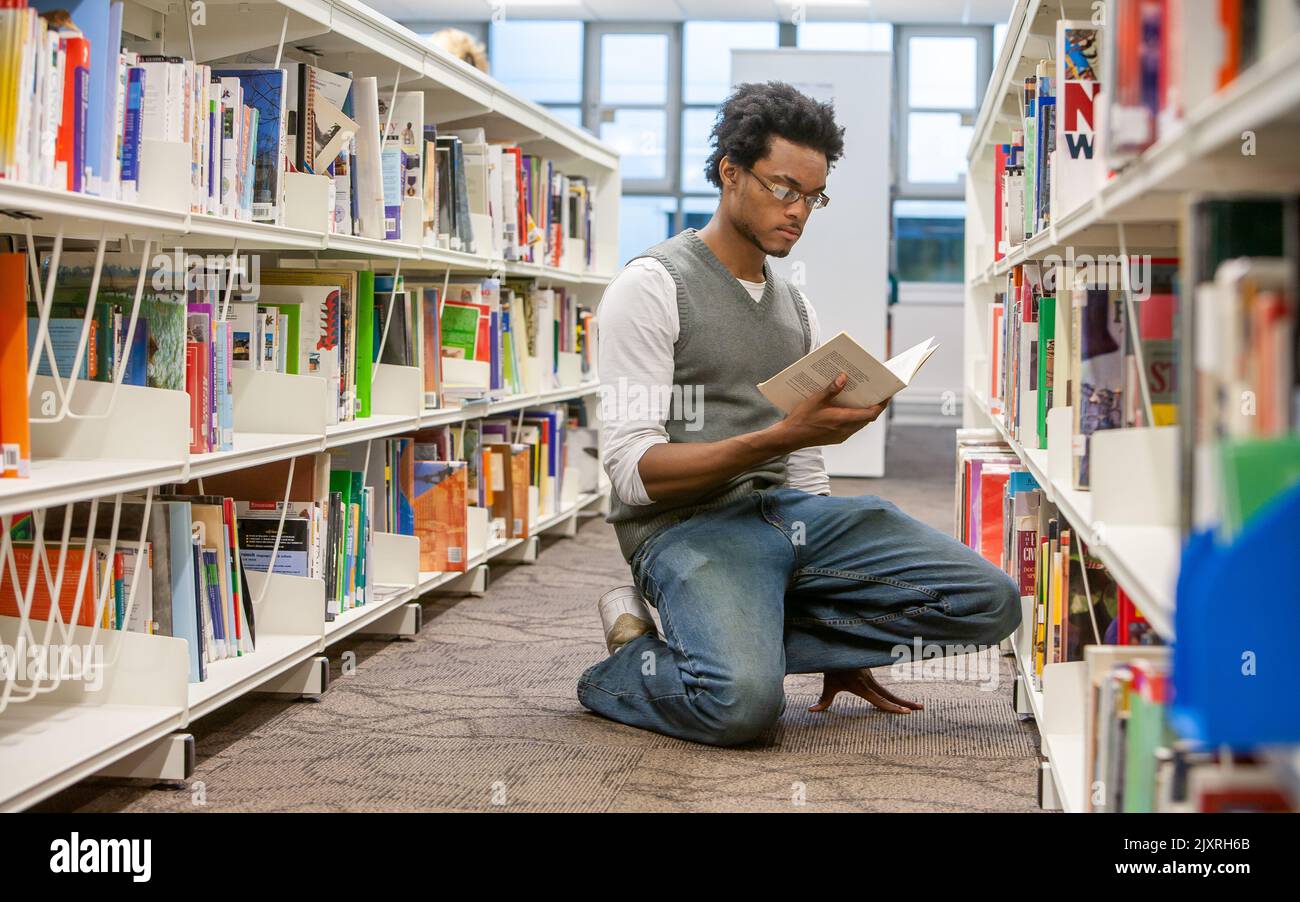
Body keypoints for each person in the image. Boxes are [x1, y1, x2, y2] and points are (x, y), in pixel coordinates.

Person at [577, 81, 1021, 747]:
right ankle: (626, 659)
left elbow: (804, 466)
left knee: (990, 601)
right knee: (740, 708)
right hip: (687, 530)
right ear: (730, 173)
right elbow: (634, 476)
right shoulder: (651, 287)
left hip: (785, 518)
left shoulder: (795, 306)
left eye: (813, 196)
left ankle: (742, 638)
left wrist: (844, 643)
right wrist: (778, 437)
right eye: (784, 188)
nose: (799, 211)